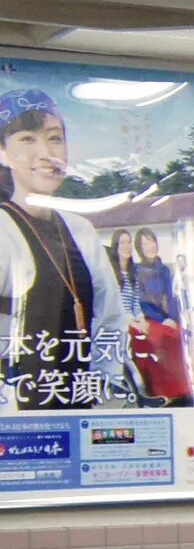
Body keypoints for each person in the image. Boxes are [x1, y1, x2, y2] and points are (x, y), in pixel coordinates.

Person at [0, 88, 138, 412]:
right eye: (27, 139)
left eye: (55, 139)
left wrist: (104, 399)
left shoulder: (80, 229)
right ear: (3, 152)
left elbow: (111, 321)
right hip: (19, 419)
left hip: (81, 411)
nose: (46, 152)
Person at [126, 229, 194, 407]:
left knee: (181, 335)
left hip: (169, 318)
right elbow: (141, 301)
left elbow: (172, 295)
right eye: (145, 244)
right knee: (162, 338)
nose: (150, 247)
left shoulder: (165, 270)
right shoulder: (136, 271)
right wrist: (160, 318)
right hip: (150, 317)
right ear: (139, 248)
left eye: (152, 242)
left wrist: (174, 317)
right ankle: (161, 390)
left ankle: (185, 387)